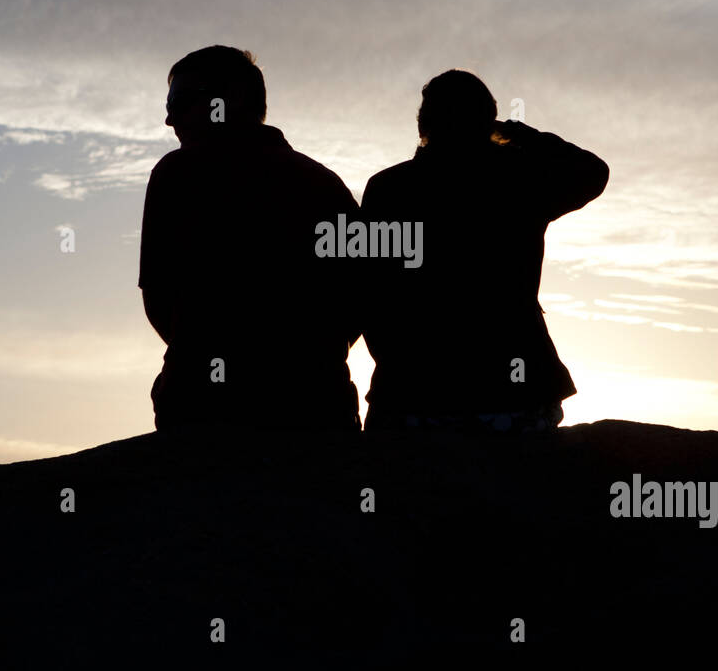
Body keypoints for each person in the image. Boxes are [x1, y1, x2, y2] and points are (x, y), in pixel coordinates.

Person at [360, 69, 609, 433]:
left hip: (413, 393)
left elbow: (368, 292)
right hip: (510, 395)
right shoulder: (520, 177)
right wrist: (517, 132)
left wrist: (398, 362)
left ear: (424, 125)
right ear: (488, 119)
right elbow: (592, 171)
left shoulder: (390, 187)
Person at [138, 46, 361, 431]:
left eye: (182, 101)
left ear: (231, 100)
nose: (169, 118)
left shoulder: (178, 175)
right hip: (316, 406)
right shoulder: (324, 183)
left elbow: (158, 297)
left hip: (202, 408)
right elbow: (360, 299)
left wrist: (201, 351)